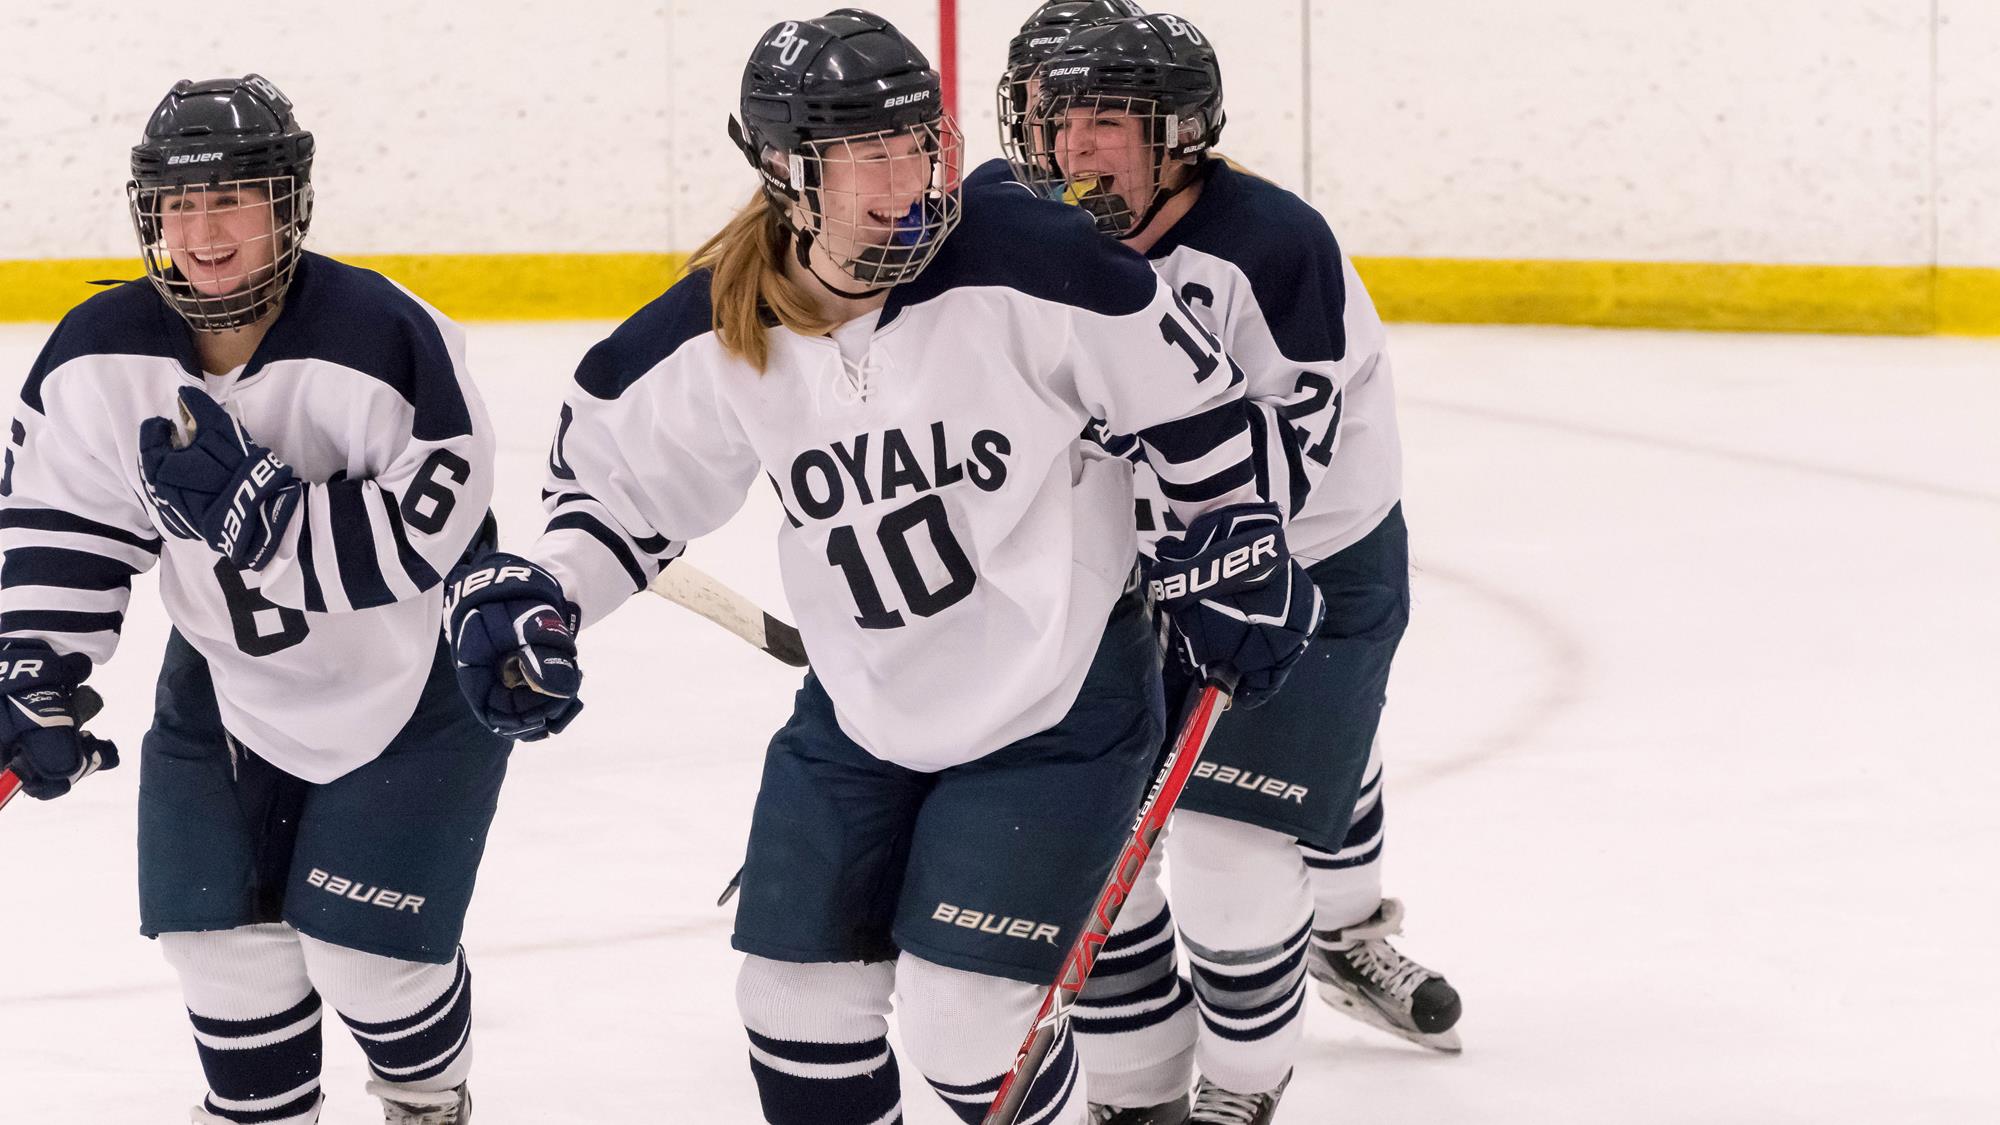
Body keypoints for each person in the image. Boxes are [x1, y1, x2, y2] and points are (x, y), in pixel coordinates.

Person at [439, 10, 1321, 1125]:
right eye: (864, 155)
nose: (903, 180)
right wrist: (547, 597)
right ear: (783, 171)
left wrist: (1232, 536)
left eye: (916, 145)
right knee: (791, 1008)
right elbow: (616, 499)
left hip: (1055, 700)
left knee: (968, 1031)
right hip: (860, 709)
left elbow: (1194, 408)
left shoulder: (1040, 264)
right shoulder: (715, 328)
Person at [0, 75, 503, 1125]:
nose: (202, 230)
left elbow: (426, 545)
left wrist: (255, 513)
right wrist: (33, 668)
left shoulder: (385, 336)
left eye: (230, 198)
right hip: (225, 680)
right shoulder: (98, 351)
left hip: (411, 682)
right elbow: (66, 529)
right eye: (176, 205)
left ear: (288, 204)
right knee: (214, 949)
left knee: (371, 965)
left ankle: (428, 1097)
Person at [1008, 13, 1467, 1123]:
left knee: (1224, 849)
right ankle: (1152, 1068)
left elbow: (1269, 486)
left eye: (1111, 123)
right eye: (1055, 120)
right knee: (1131, 830)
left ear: (1183, 134)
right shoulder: (1008, 222)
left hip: (1305, 560)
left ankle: (1248, 1081)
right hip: (1130, 565)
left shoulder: (1271, 247)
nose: (1078, 150)